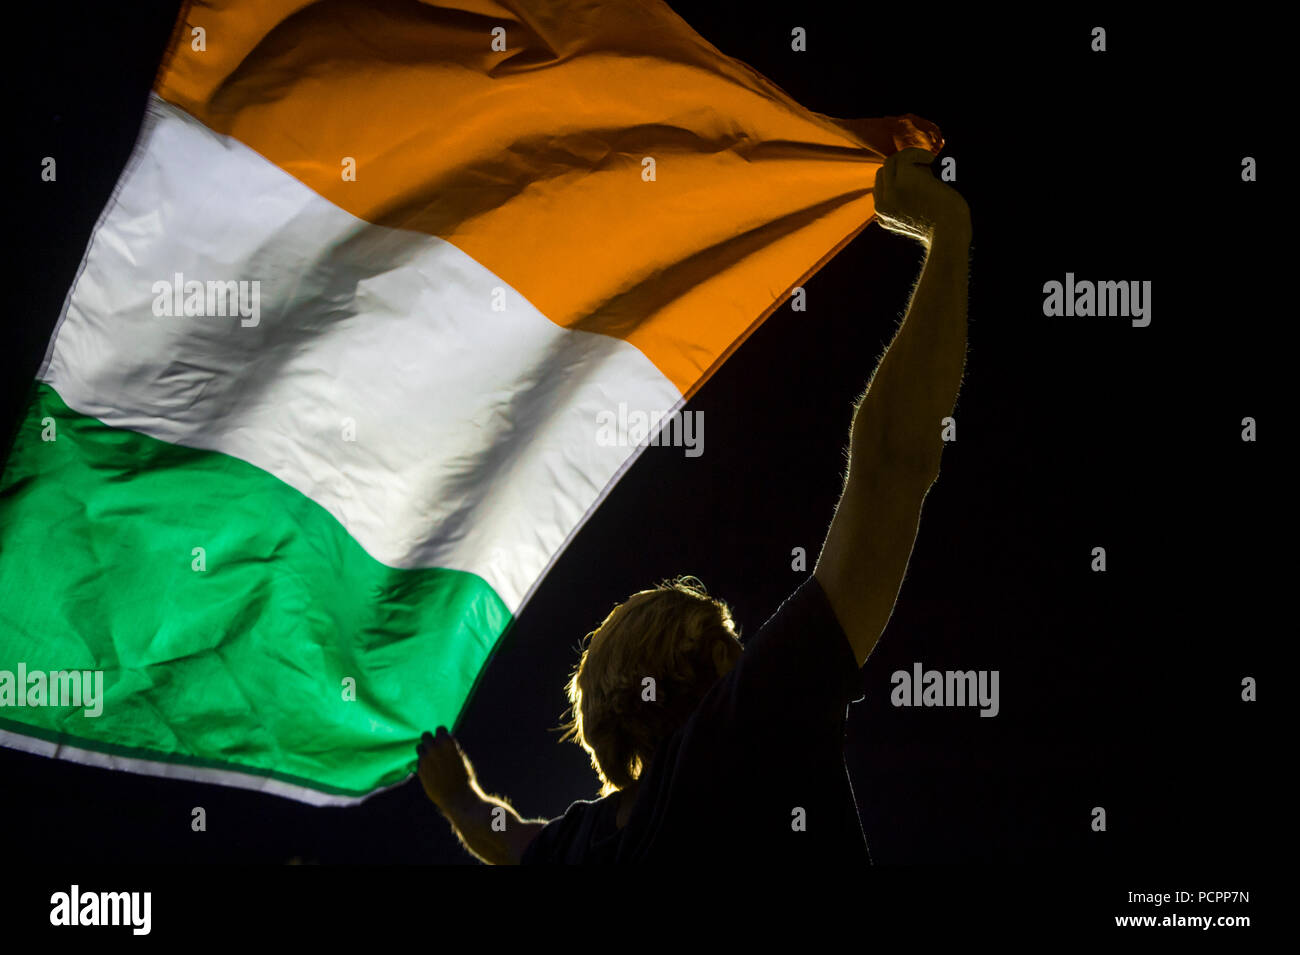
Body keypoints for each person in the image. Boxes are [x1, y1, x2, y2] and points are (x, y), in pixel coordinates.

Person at [415, 146, 972, 864]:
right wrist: (948, 237)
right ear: (710, 655)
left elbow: (506, 840)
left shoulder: (586, 850)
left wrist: (458, 796)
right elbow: (891, 467)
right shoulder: (745, 724)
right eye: (727, 638)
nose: (741, 648)